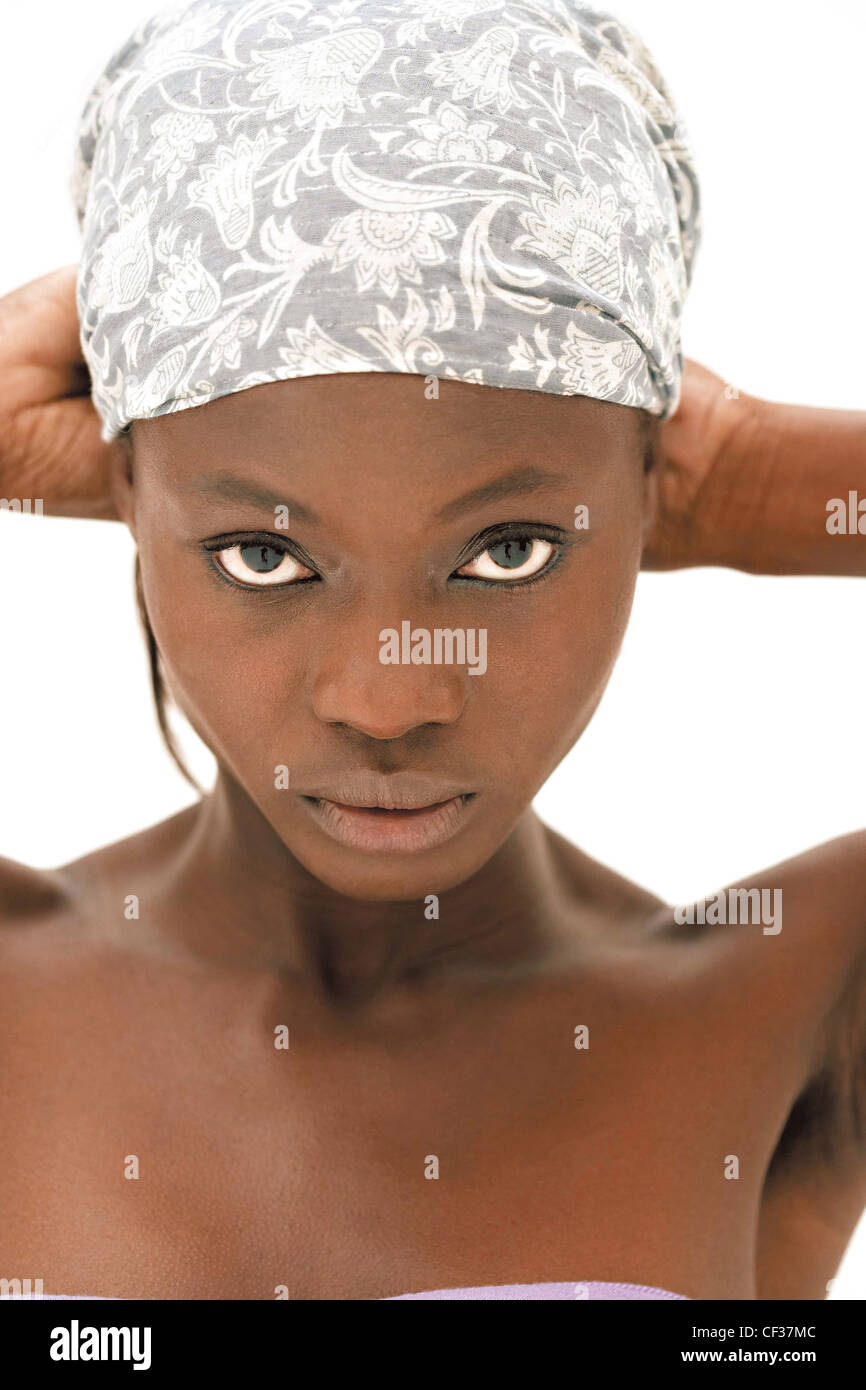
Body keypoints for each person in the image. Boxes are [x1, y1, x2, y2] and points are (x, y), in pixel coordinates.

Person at [0, 0, 864, 1301]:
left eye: (507, 548)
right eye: (263, 554)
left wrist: (763, 480)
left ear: (649, 482)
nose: (385, 698)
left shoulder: (794, 994)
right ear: (129, 492)